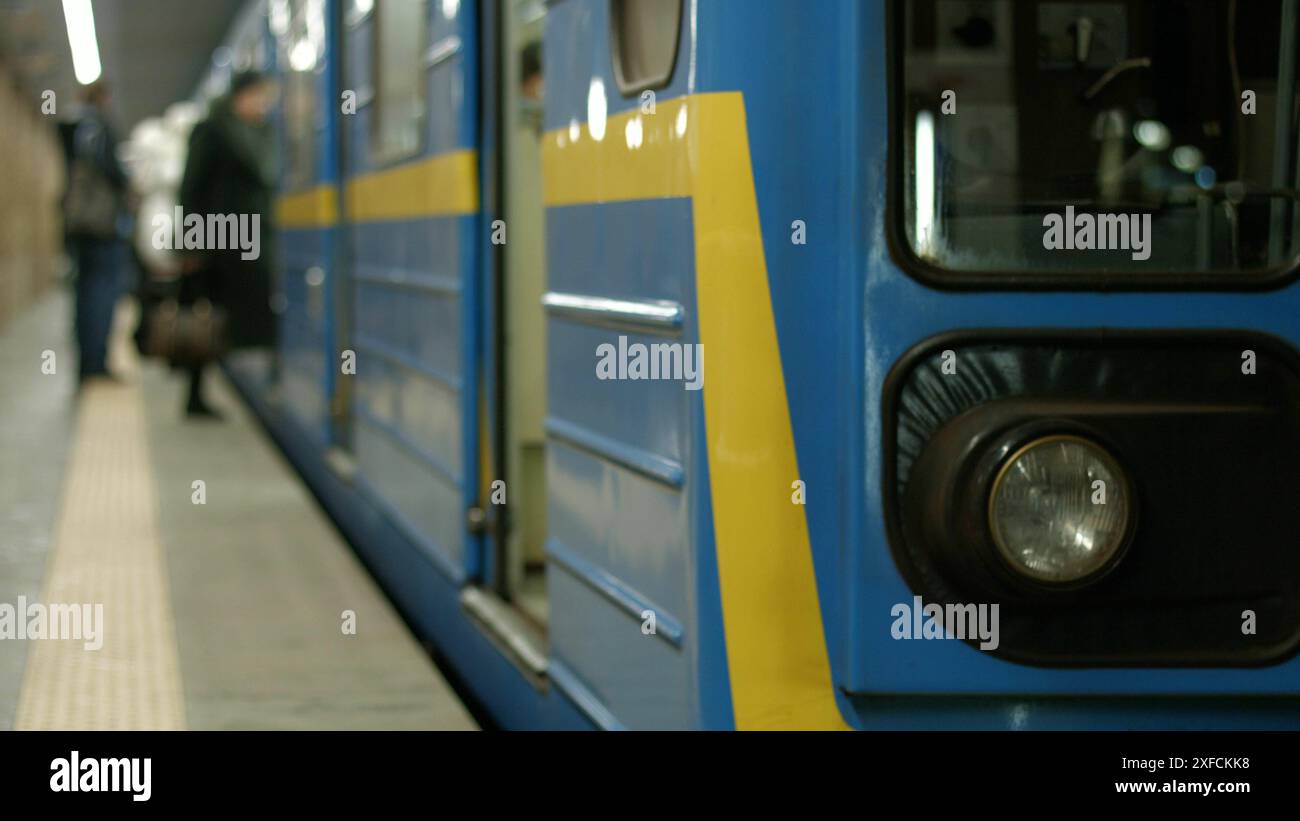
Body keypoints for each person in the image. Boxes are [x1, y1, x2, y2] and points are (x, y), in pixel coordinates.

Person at [177, 71, 278, 419]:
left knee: (227, 319)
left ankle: (202, 392)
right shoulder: (212, 131)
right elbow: (191, 189)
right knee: (208, 317)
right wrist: (190, 247)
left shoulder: (258, 135)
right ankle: (194, 395)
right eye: (257, 98)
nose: (262, 105)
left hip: (246, 240)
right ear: (241, 97)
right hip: (214, 241)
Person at [63, 80, 129, 384]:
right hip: (101, 225)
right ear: (103, 98)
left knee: (84, 292)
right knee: (102, 292)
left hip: (79, 225)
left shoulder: (72, 128)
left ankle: (86, 362)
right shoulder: (99, 128)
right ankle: (96, 363)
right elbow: (111, 172)